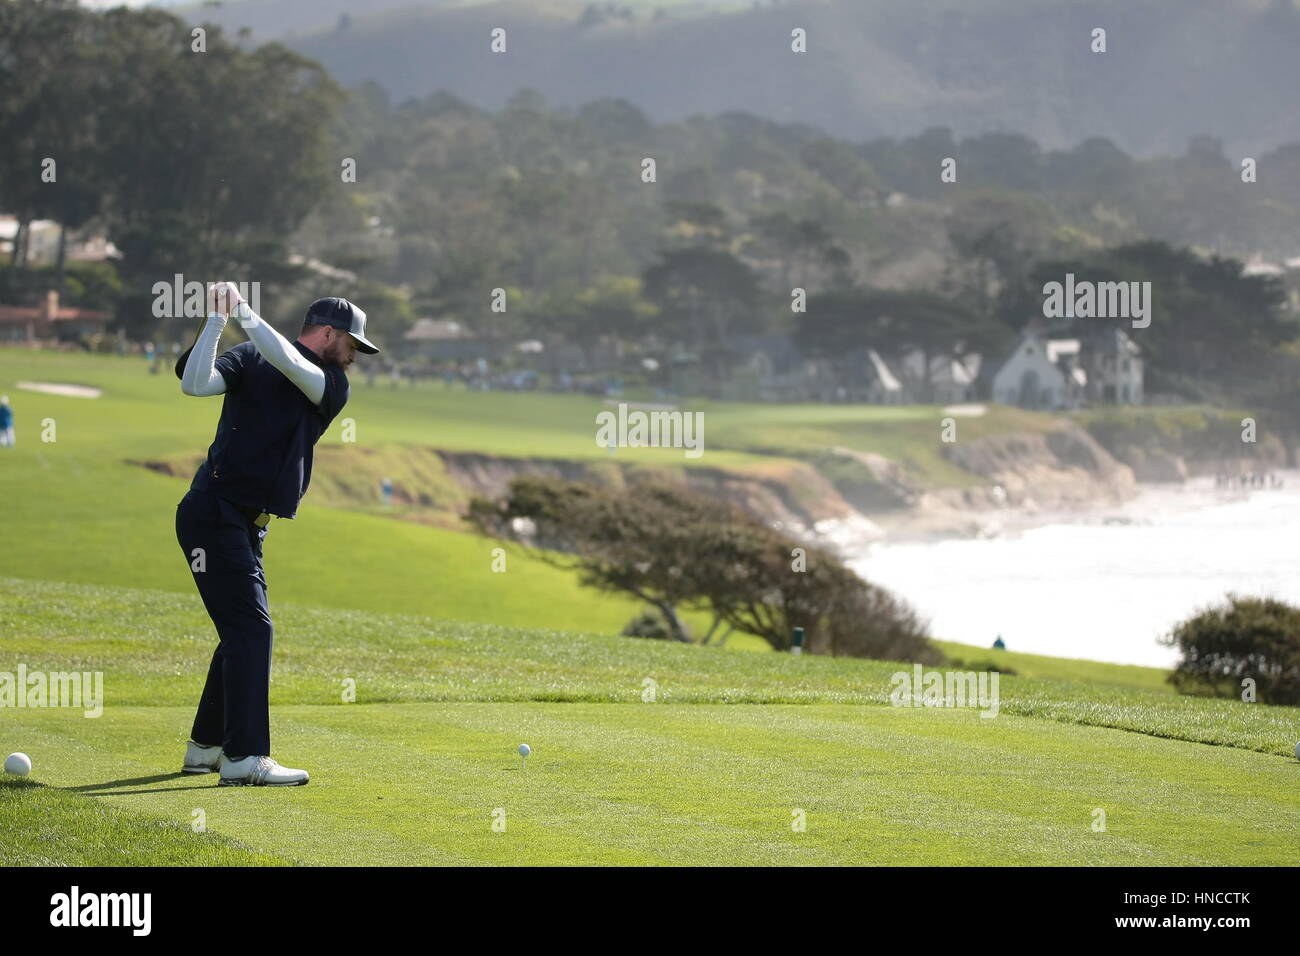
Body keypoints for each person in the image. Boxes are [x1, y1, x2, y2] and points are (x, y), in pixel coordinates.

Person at [174, 283, 378, 786]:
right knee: (251, 630)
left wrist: (244, 311)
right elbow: (195, 385)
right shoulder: (249, 355)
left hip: (245, 523)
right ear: (328, 333)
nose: (355, 355)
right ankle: (244, 758)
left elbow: (289, 362)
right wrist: (220, 320)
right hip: (213, 512)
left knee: (240, 633)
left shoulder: (328, 383)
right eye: (353, 343)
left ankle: (206, 748)